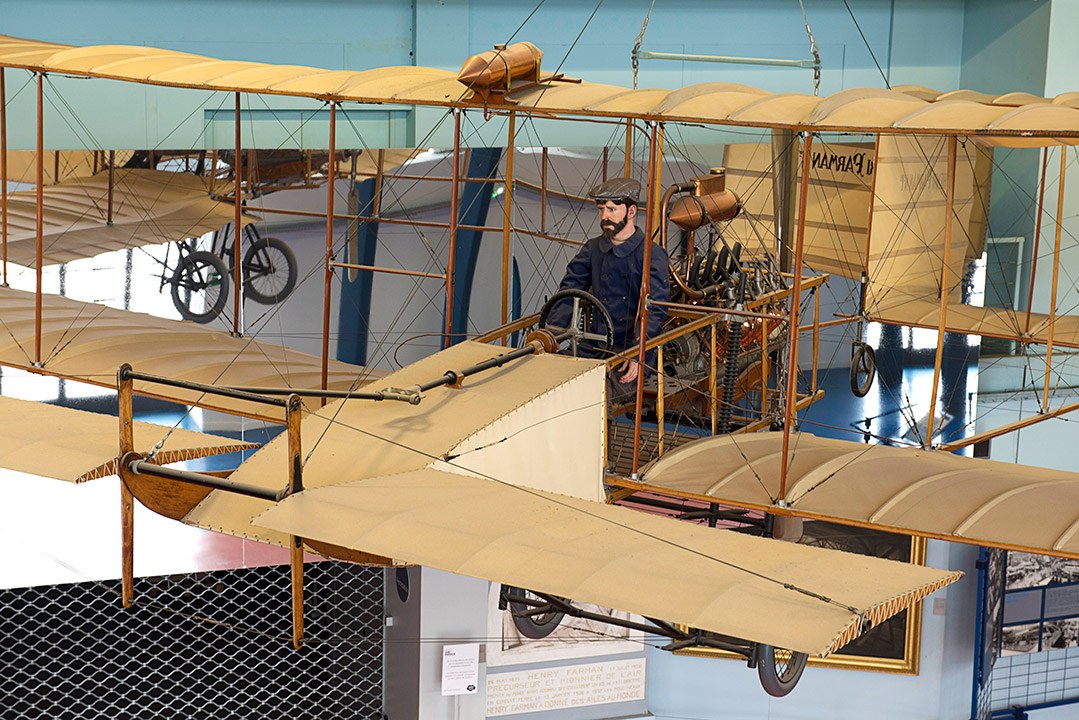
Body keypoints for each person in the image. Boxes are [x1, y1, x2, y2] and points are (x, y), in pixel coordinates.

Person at [548, 177, 670, 400]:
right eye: (601, 209)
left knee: (596, 397)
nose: (605, 216)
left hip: (629, 351)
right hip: (592, 345)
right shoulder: (593, 249)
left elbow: (656, 310)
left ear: (631, 211)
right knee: (553, 384)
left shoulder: (652, 254)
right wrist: (550, 334)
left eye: (612, 209)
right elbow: (568, 293)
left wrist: (638, 352)